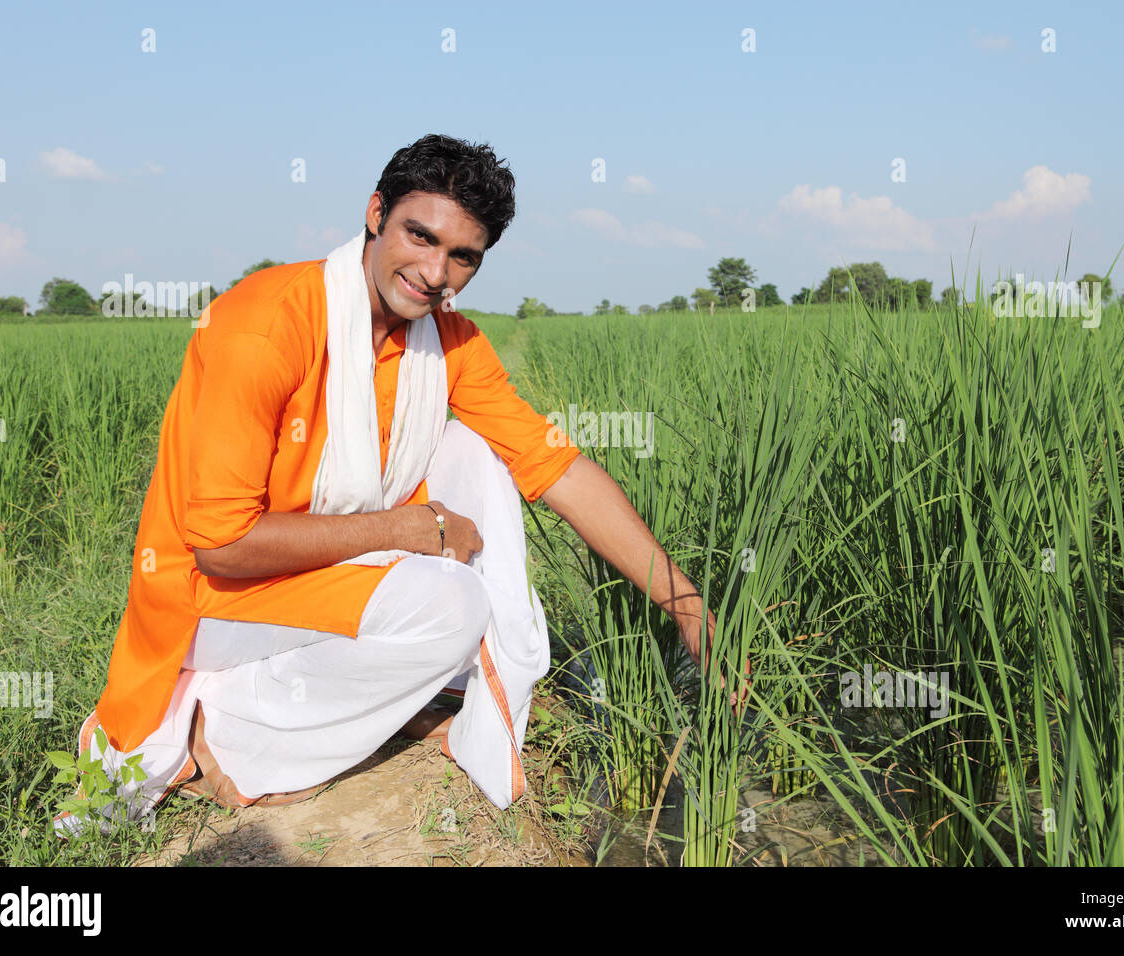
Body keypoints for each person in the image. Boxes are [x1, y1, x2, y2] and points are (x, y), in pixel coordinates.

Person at [54, 133, 734, 834]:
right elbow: (222, 549)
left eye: (461, 256)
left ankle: (390, 694)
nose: (434, 271)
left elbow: (557, 467)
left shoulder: (449, 343)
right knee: (451, 608)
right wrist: (406, 529)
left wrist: (685, 605)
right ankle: (213, 737)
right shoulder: (267, 327)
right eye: (420, 235)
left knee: (474, 450)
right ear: (376, 213)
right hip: (207, 600)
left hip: (315, 575)